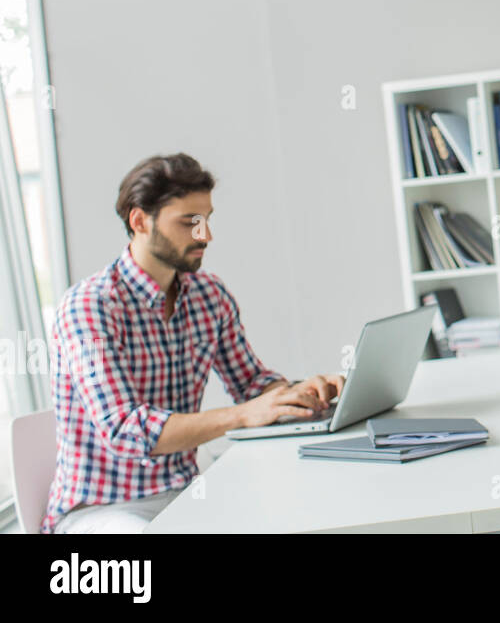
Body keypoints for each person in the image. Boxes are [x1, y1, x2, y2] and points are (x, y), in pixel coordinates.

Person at [42, 153, 345, 533]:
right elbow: (125, 430)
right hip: (101, 510)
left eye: (207, 219)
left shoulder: (208, 294)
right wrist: (244, 414)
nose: (205, 235)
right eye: (189, 222)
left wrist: (298, 394)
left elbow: (251, 384)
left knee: (307, 511)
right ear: (140, 221)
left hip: (187, 494)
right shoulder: (90, 306)